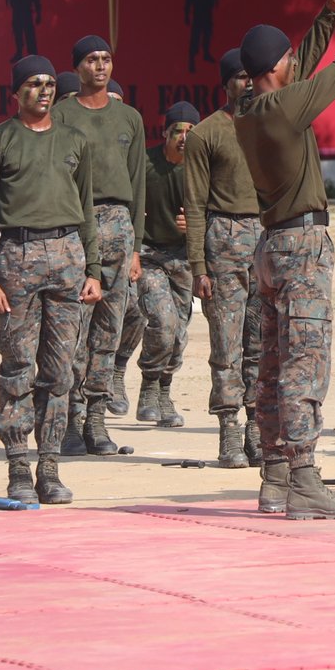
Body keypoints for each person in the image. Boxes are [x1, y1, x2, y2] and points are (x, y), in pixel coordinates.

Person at [233, 0, 335, 520]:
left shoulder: (251, 107)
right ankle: (305, 479)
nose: (296, 62)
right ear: (276, 69)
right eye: (288, 58)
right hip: (301, 245)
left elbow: (306, 64)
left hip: (271, 245)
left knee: (271, 364)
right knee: (304, 364)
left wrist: (327, 13)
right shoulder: (283, 109)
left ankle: (274, 477)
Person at [0, 56, 100, 505]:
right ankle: (18, 467)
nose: (43, 90)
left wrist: (94, 270)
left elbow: (87, 210)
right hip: (17, 257)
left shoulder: (75, 141)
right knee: (18, 366)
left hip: (68, 257)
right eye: (33, 84)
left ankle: (50, 466)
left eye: (48, 83)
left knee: (60, 369)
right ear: (16, 93)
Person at [53, 34, 145, 456]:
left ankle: (96, 420)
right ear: (77, 67)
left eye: (107, 58)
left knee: (110, 325)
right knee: (75, 329)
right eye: (92, 59)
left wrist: (137, 247)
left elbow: (139, 184)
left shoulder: (129, 117)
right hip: (77, 224)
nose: (101, 66)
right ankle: (70, 422)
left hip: (120, 225)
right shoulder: (61, 115)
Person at [186, 49, 270, 466]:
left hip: (267, 239)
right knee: (226, 345)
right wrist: (198, 268)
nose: (249, 84)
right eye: (240, 77)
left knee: (261, 342)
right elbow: (196, 205)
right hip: (223, 239)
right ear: (225, 84)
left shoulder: (272, 125)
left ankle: (257, 430)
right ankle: (228, 431)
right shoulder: (205, 134)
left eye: (253, 75)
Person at [132, 102, 199, 434]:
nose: (184, 138)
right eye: (178, 132)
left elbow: (219, 211)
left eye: (191, 132)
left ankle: (164, 392)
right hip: (149, 255)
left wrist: (196, 224)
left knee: (179, 334)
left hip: (184, 259)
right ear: (165, 133)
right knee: (163, 321)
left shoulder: (202, 169)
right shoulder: (145, 164)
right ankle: (148, 386)